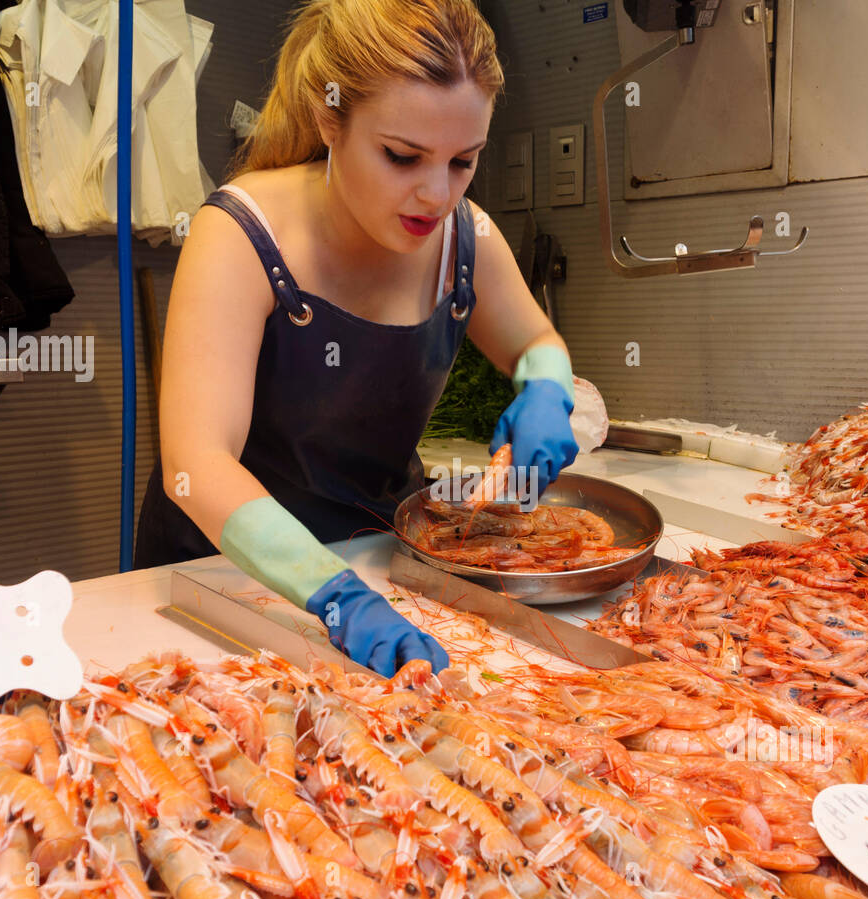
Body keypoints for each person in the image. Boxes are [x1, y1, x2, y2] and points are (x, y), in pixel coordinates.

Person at [134, 0, 579, 677]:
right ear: (329, 119)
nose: (436, 194)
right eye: (403, 156)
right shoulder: (239, 235)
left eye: (464, 161)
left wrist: (546, 382)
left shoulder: (467, 235)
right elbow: (196, 464)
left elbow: (534, 338)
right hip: (224, 582)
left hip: (383, 568)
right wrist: (335, 593)